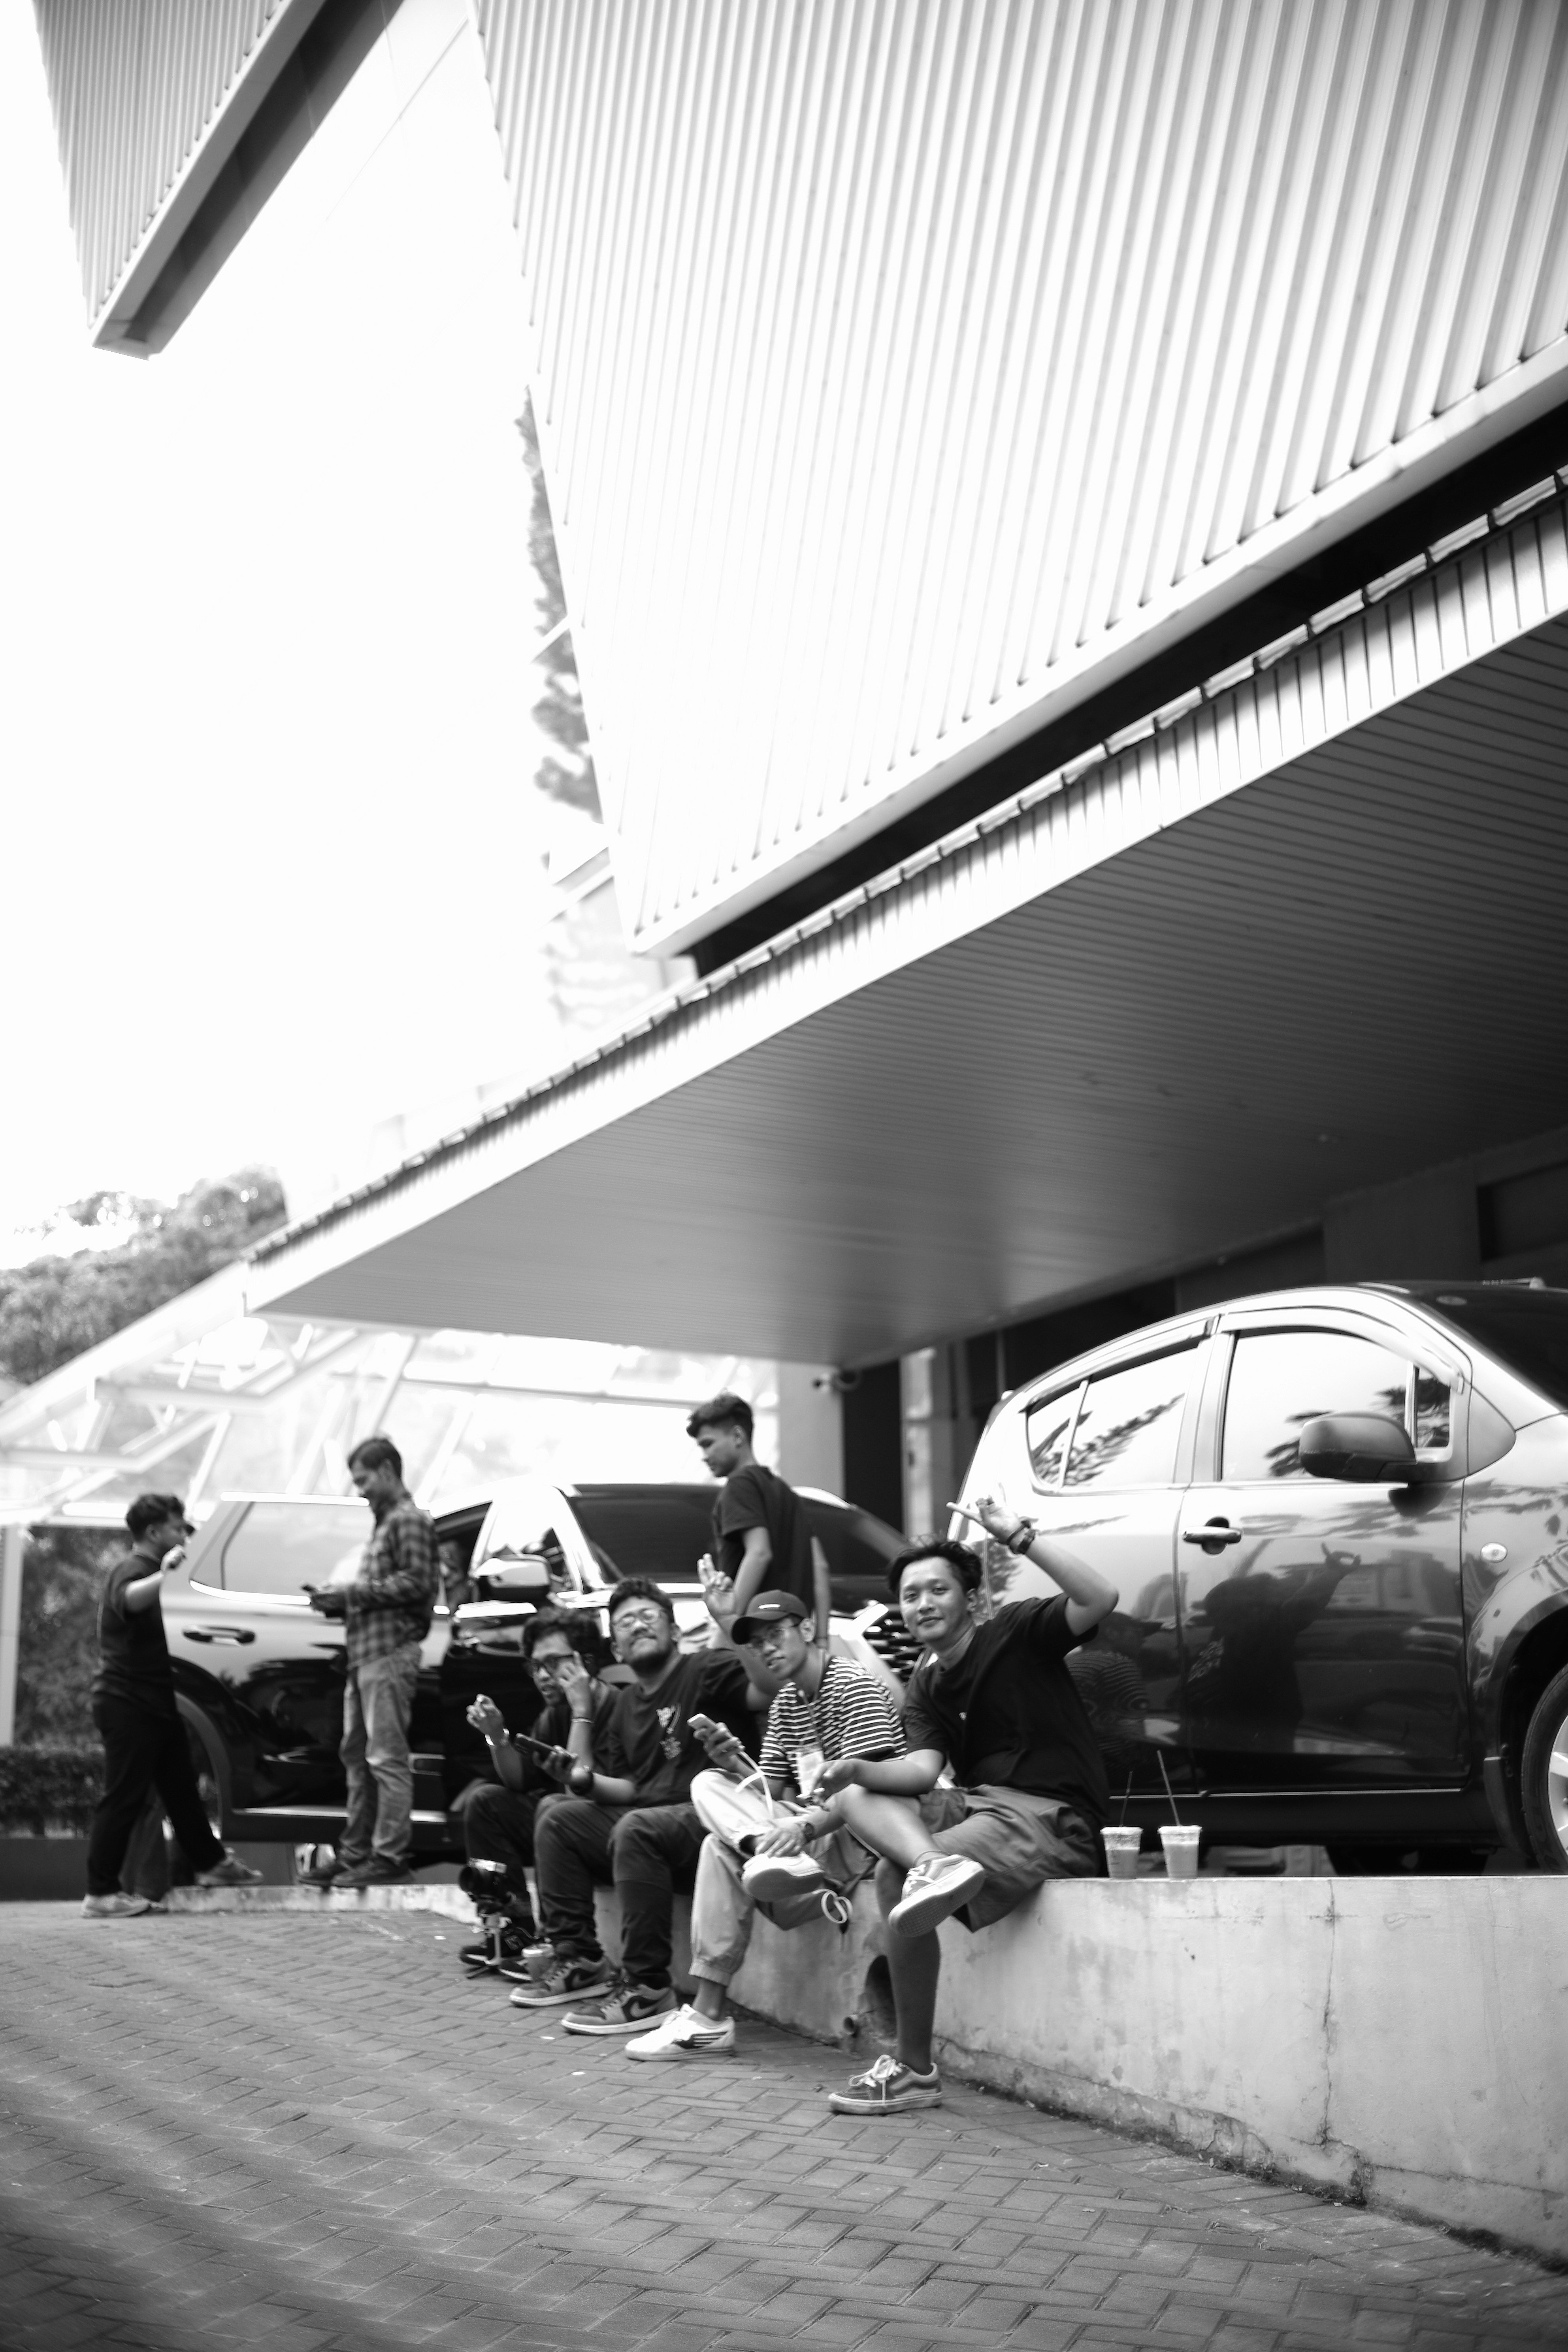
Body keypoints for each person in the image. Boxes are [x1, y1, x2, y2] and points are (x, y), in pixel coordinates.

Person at [819, 1499, 1117, 2115]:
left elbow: (1100, 1597)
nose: (923, 1603)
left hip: (1051, 1817)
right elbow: (920, 1774)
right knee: (856, 1796)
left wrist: (1021, 1538)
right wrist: (855, 1769)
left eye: (937, 1590)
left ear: (972, 1599)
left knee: (891, 1874)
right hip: (983, 1809)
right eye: (910, 1595)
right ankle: (935, 1865)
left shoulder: (1013, 1632)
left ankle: (914, 2069)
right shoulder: (927, 1686)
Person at [624, 1587, 904, 2061]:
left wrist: (801, 1829)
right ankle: (708, 2018)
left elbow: (868, 1790)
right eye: (758, 1643)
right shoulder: (787, 1702)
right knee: (709, 1786)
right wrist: (735, 1763)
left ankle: (709, 2013)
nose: (767, 1649)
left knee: (717, 1840)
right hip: (798, 1855)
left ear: (809, 1629)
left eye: (776, 1634)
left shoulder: (851, 1684)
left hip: (856, 1840)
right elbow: (771, 1794)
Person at [509, 1577, 767, 2033]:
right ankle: (579, 1959)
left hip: (715, 1818)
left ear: (673, 1630)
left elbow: (764, 1689)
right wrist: (582, 1779)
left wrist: (728, 1619)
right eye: (625, 1622)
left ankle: (648, 1987)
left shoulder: (705, 1667)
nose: (638, 1626)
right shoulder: (628, 1702)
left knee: (637, 1828)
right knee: (559, 1817)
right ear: (615, 1647)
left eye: (649, 1616)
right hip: (653, 1821)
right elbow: (629, 1788)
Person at [83, 1493, 263, 1918]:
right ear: (154, 1532)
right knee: (123, 1796)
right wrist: (165, 1575)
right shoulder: (132, 1570)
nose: (184, 1535)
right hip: (127, 1703)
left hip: (157, 1705)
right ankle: (100, 1893)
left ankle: (211, 1864)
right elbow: (127, 1599)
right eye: (178, 1528)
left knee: (182, 1789)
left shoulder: (159, 1574)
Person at [306, 1435, 440, 1888]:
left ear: (386, 1471)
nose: (359, 1489)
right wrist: (338, 1601)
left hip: (388, 1655)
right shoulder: (385, 1525)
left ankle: (388, 1856)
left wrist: (350, 1595)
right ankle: (356, 1854)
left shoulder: (409, 1520)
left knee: (384, 1759)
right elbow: (389, 1589)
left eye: (363, 1480)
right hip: (365, 1659)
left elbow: (419, 1584)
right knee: (359, 1761)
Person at [454, 1613, 618, 1975]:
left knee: (554, 1807)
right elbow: (518, 1782)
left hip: (608, 1835)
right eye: (536, 1666)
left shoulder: (615, 1706)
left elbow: (583, 1796)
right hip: (561, 1831)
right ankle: (516, 1929)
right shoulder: (552, 1715)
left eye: (554, 1663)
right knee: (487, 1802)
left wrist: (582, 1712)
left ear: (586, 1662)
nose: (543, 1675)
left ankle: (567, 1947)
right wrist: (496, 1736)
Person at [688, 1391, 831, 1641]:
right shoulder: (786, 1492)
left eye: (708, 1444)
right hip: (794, 1641)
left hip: (755, 1639)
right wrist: (821, 1638)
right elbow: (820, 1567)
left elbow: (760, 1553)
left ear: (737, 1436)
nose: (704, 1456)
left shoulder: (739, 1484)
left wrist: (730, 1627)